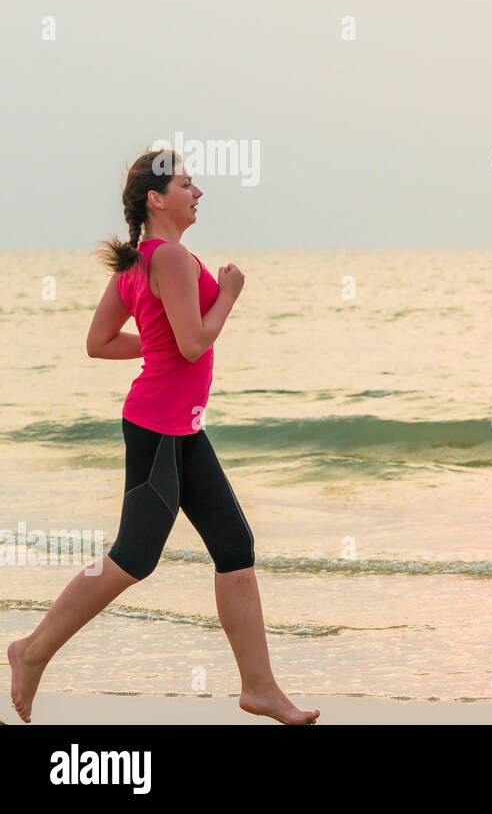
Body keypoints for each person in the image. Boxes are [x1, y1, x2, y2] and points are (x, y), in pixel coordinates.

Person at [7, 148, 319, 725]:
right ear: (156, 198)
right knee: (133, 556)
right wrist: (228, 294)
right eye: (186, 184)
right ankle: (31, 651)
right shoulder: (171, 257)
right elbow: (195, 343)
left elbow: (101, 342)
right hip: (158, 426)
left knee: (234, 548)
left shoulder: (137, 263)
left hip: (179, 426)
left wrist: (159, 343)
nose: (198, 193)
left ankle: (261, 688)